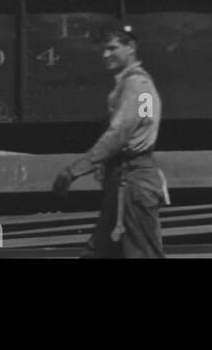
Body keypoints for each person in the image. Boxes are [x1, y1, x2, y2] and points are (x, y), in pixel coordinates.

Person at [52, 21, 169, 258]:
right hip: (125, 180)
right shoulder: (135, 84)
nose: (106, 55)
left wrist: (74, 170)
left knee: (142, 254)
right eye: (104, 50)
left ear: (131, 47)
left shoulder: (135, 84)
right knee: (99, 253)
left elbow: (118, 134)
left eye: (113, 48)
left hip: (132, 182)